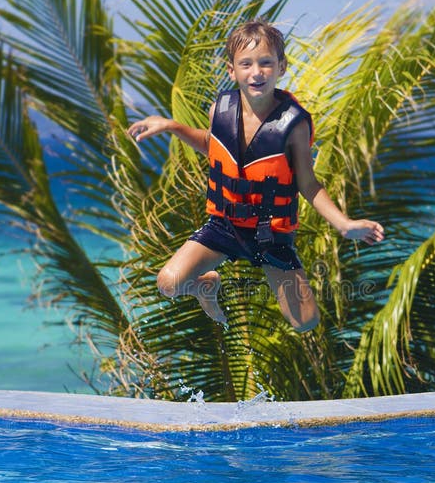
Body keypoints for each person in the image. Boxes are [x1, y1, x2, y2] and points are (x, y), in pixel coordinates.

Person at [127, 19, 384, 331]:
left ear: (281, 67)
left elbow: (308, 183)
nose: (256, 72)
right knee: (168, 282)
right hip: (224, 226)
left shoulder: (294, 124)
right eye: (245, 64)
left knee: (305, 322)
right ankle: (206, 286)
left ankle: (264, 283)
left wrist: (344, 225)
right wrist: (173, 126)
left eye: (265, 63)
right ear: (232, 70)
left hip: (271, 234)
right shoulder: (219, 109)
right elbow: (215, 147)